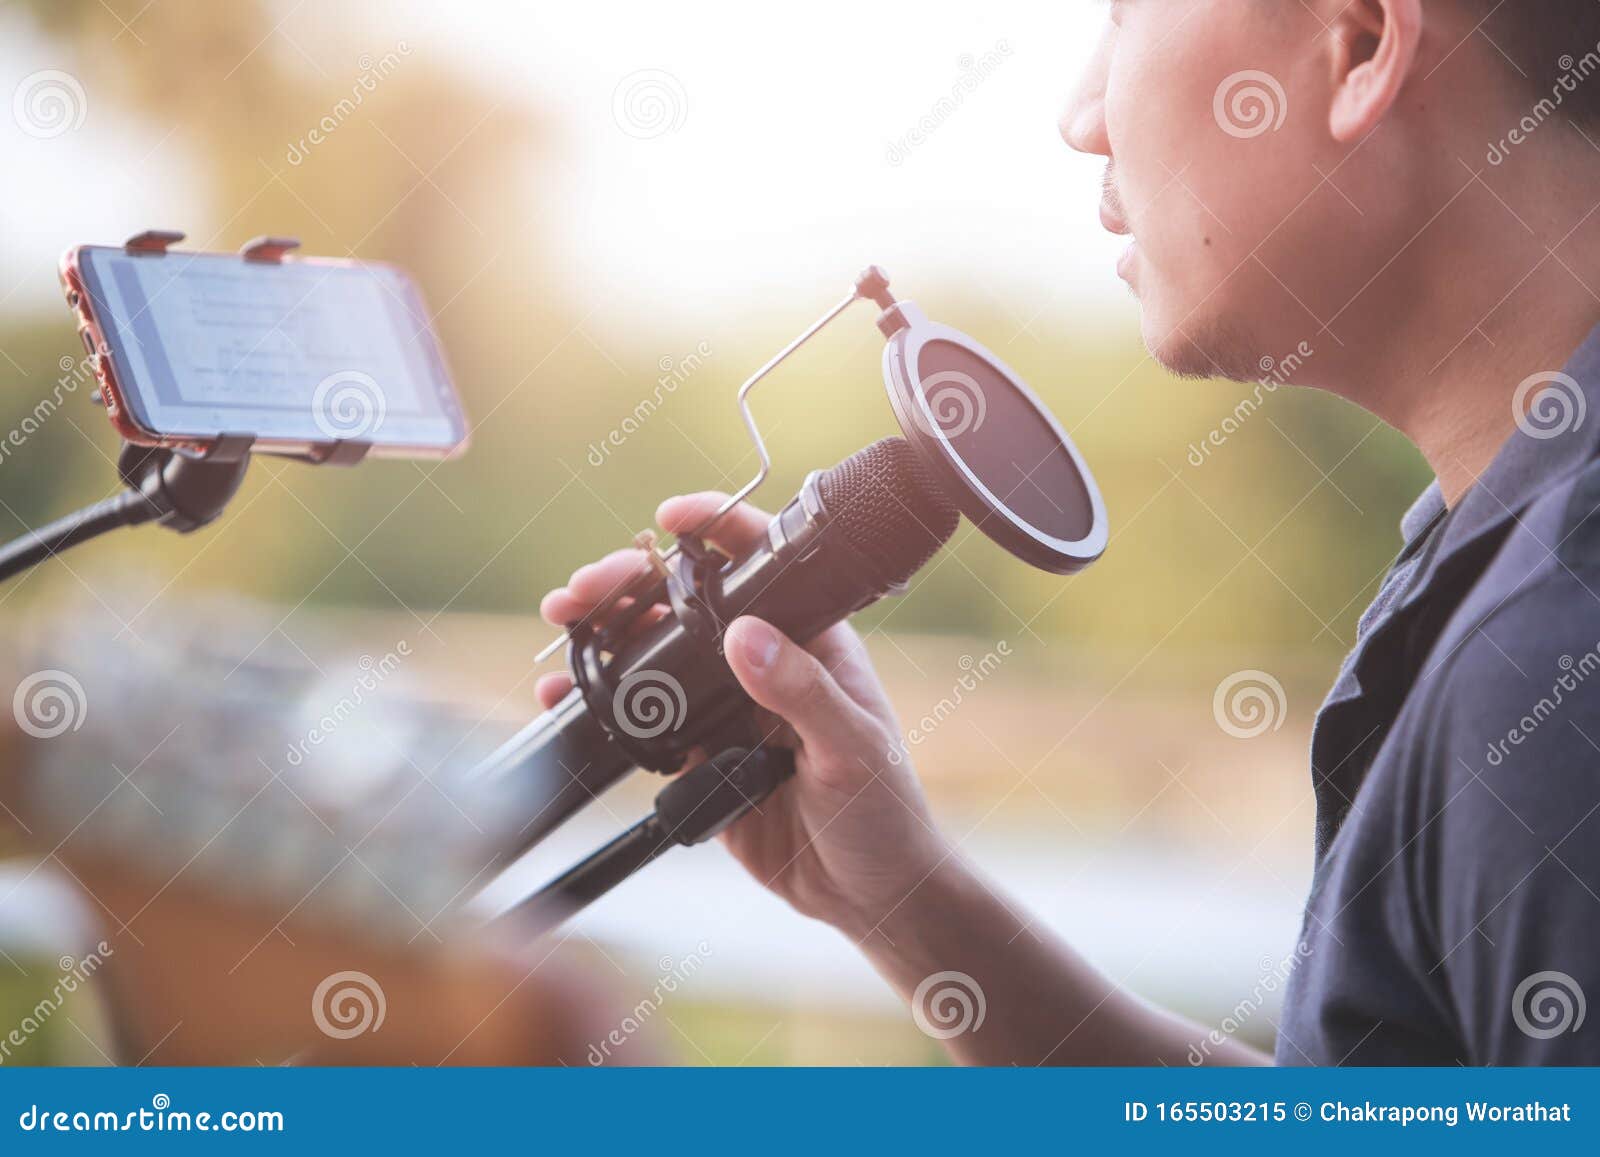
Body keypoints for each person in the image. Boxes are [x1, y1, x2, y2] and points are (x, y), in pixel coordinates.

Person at [538, 0, 1600, 1065]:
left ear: (1360, 44)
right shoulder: (1501, 574)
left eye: (1126, 14)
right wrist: (903, 902)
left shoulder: (1554, 651)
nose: (1081, 116)